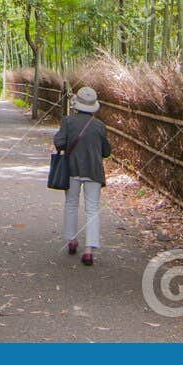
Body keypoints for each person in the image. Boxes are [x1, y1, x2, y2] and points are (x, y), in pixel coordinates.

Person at [52, 86, 112, 265]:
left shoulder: (67, 121)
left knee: (71, 204)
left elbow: (59, 142)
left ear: (76, 105)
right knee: (92, 209)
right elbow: (106, 151)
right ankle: (89, 250)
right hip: (94, 170)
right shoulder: (99, 126)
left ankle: (72, 240)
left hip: (71, 169)